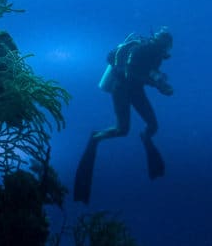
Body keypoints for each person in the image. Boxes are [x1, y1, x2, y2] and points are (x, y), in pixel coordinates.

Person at [73, 27, 174, 204]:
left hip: (136, 90)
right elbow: (130, 72)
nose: (163, 50)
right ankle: (96, 138)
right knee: (122, 130)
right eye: (163, 46)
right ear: (158, 42)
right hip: (121, 89)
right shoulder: (140, 49)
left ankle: (145, 138)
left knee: (153, 126)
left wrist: (161, 83)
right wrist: (155, 84)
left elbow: (149, 72)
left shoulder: (156, 55)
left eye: (165, 48)